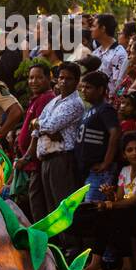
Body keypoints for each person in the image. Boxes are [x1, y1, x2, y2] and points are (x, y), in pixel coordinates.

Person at [79, 132, 136, 270]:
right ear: (124, 154)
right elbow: (121, 197)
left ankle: (128, 267)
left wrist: (110, 204)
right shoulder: (125, 171)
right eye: (129, 150)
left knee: (116, 216)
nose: (135, 153)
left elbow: (135, 200)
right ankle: (96, 263)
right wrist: (110, 196)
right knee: (103, 215)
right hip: (129, 212)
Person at [31, 62, 85, 218]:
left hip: (62, 159)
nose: (63, 82)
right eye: (61, 77)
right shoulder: (54, 101)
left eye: (69, 78)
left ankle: (70, 243)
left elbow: (51, 126)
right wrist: (38, 125)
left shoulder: (75, 103)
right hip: (47, 159)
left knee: (63, 209)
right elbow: (39, 125)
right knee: (52, 210)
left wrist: (38, 125)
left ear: (77, 81)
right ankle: (60, 243)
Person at [12, 63, 55, 221]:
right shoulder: (37, 98)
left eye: (39, 77)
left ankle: (43, 241)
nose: (33, 81)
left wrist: (28, 157)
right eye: (31, 78)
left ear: (48, 78)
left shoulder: (46, 98)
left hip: (35, 162)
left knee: (37, 203)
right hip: (30, 163)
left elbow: (37, 133)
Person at [75, 70, 121, 203]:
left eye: (88, 87)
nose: (83, 90)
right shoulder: (89, 110)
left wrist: (106, 162)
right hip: (87, 170)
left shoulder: (105, 109)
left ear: (100, 89)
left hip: (100, 172)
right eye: (82, 87)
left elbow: (115, 132)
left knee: (93, 209)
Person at [90, 14, 128, 102]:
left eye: (93, 26)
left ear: (103, 28)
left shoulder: (119, 54)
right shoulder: (95, 52)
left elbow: (119, 85)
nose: (91, 29)